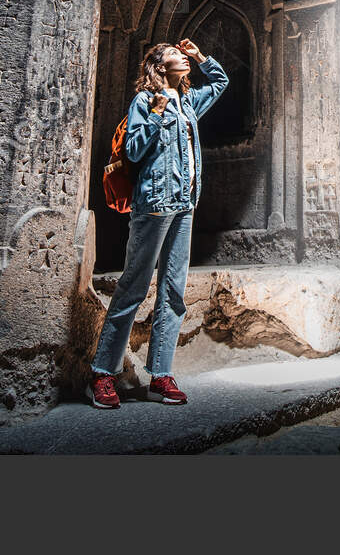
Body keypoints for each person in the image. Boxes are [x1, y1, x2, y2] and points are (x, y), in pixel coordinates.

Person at [87, 37, 228, 408]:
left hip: (184, 205)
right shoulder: (145, 101)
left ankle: (161, 376)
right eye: (176, 54)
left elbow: (220, 83)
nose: (183, 56)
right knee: (133, 286)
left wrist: (201, 57)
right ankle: (103, 374)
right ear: (159, 66)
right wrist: (155, 114)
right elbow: (133, 149)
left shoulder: (188, 101)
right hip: (153, 205)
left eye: (185, 55)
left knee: (173, 291)